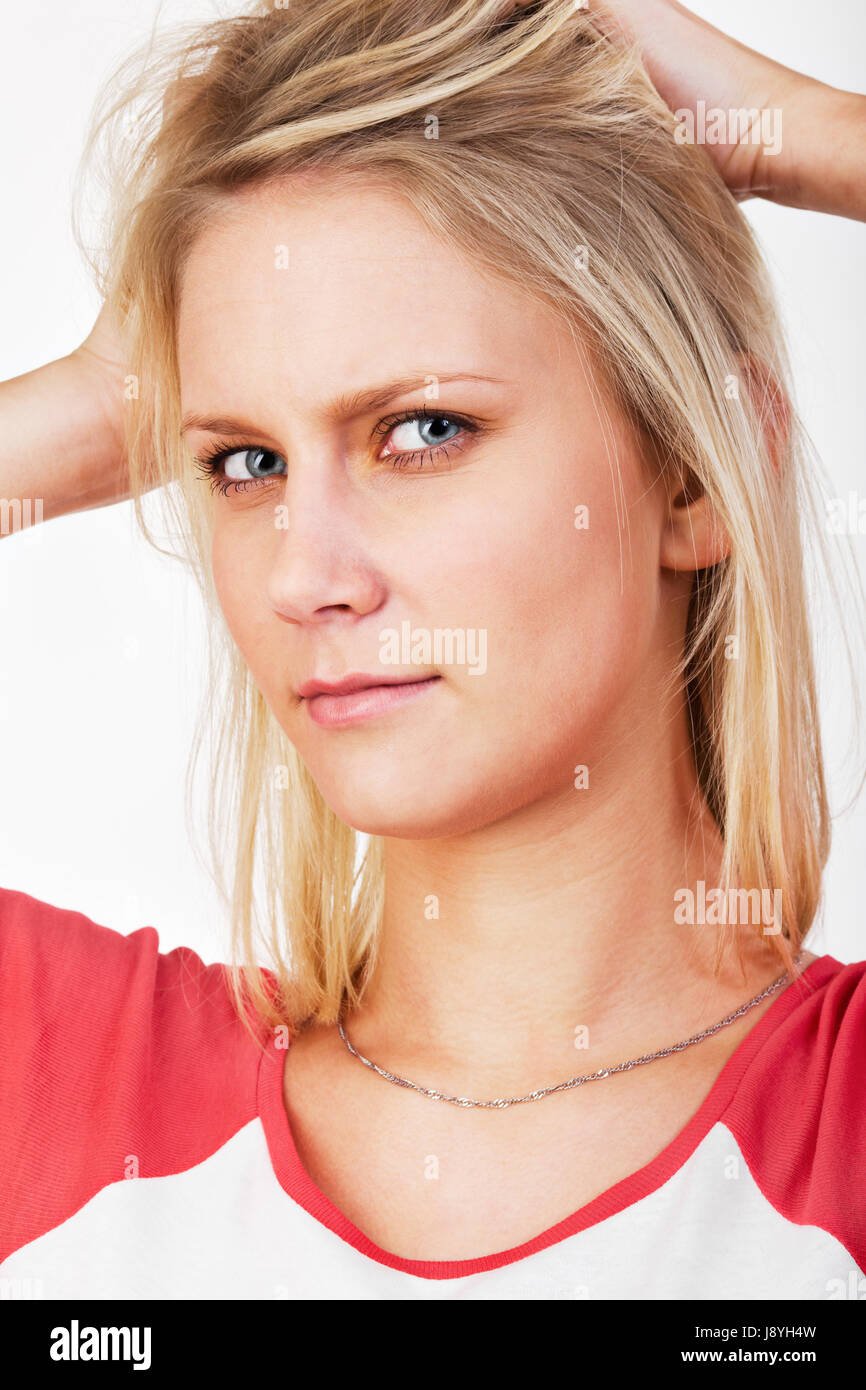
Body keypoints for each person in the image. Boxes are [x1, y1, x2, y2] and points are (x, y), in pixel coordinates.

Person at [0, 0, 864, 1299]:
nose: (303, 574)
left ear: (696, 469)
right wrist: (89, 401)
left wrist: (805, 138)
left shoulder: (839, 1127)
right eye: (245, 460)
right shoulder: (56, 1080)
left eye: (421, 432)